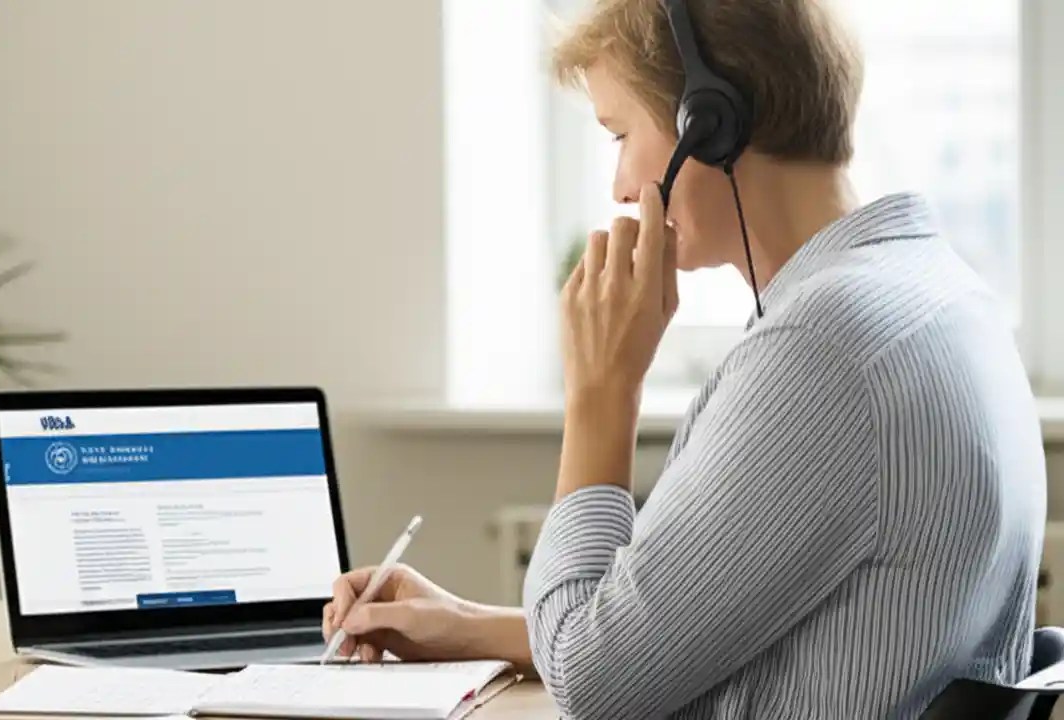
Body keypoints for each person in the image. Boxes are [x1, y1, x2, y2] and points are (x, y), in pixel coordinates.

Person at [323, 0, 1046, 717]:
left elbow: (593, 684)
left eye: (619, 135)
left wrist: (601, 396)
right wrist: (466, 627)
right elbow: (697, 637)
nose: (617, 187)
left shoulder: (823, 354)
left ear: (709, 122)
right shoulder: (937, 293)